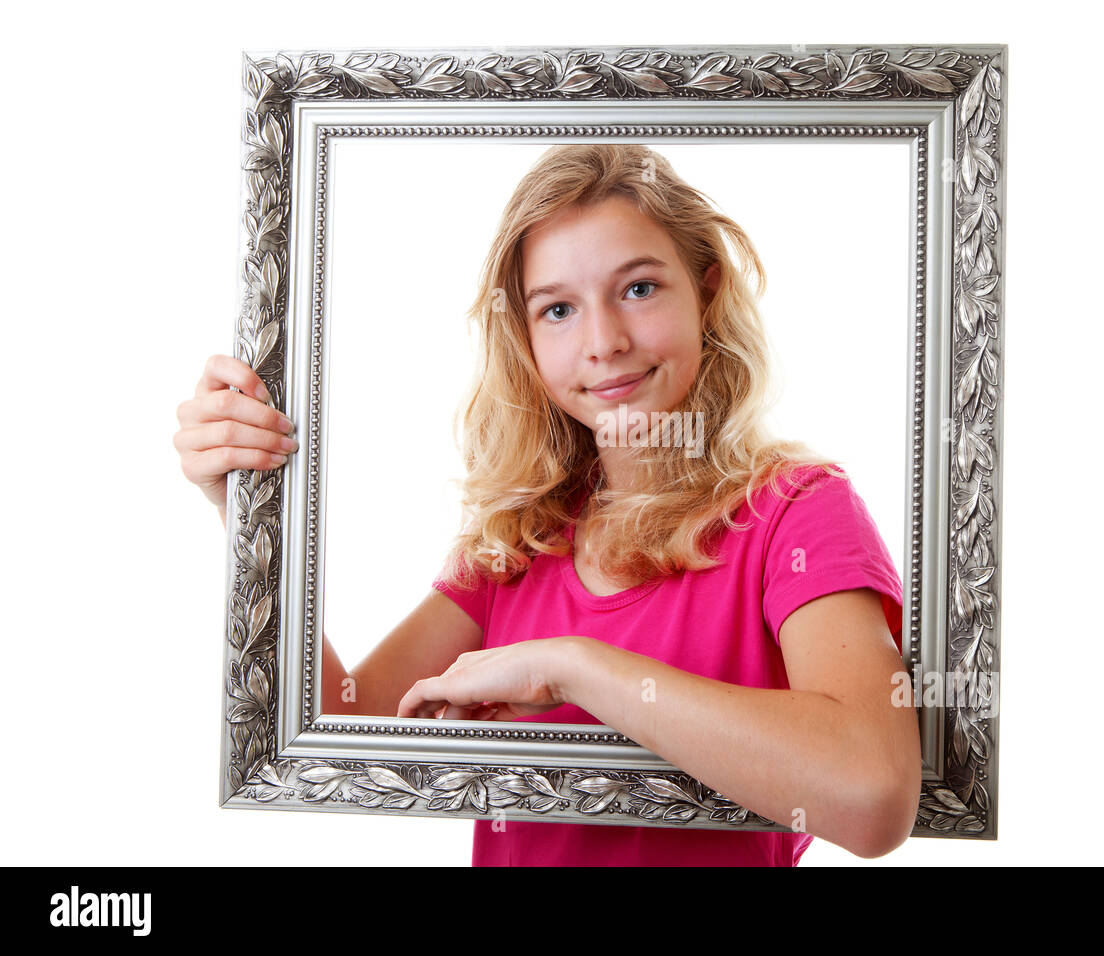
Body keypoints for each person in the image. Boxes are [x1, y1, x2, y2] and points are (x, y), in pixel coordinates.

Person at [175, 144, 920, 866]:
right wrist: (250, 507)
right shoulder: (519, 543)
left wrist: (571, 667)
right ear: (525, 339)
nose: (604, 342)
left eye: (639, 288)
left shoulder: (800, 513)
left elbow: (873, 793)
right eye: (558, 309)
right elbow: (335, 729)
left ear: (710, 291)